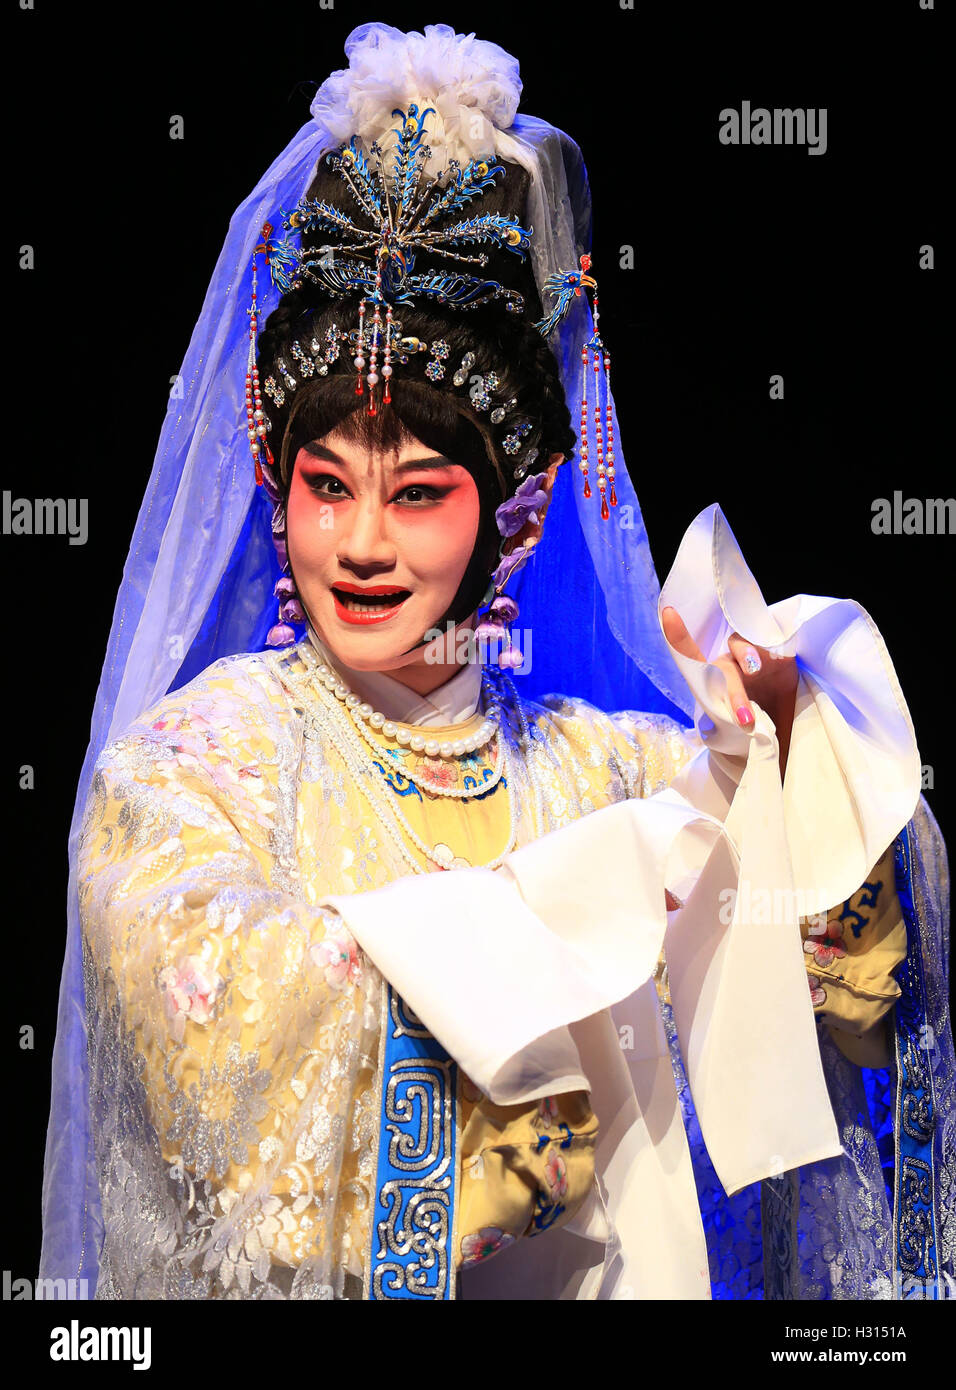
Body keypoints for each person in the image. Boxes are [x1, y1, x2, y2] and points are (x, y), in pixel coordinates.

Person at [40, 22, 952, 1301]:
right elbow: (227, 1010)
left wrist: (796, 755)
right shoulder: (189, 773)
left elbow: (855, 1003)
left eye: (416, 493)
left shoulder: (613, 767)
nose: (358, 543)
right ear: (273, 480)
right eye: (323, 486)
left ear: (511, 508)